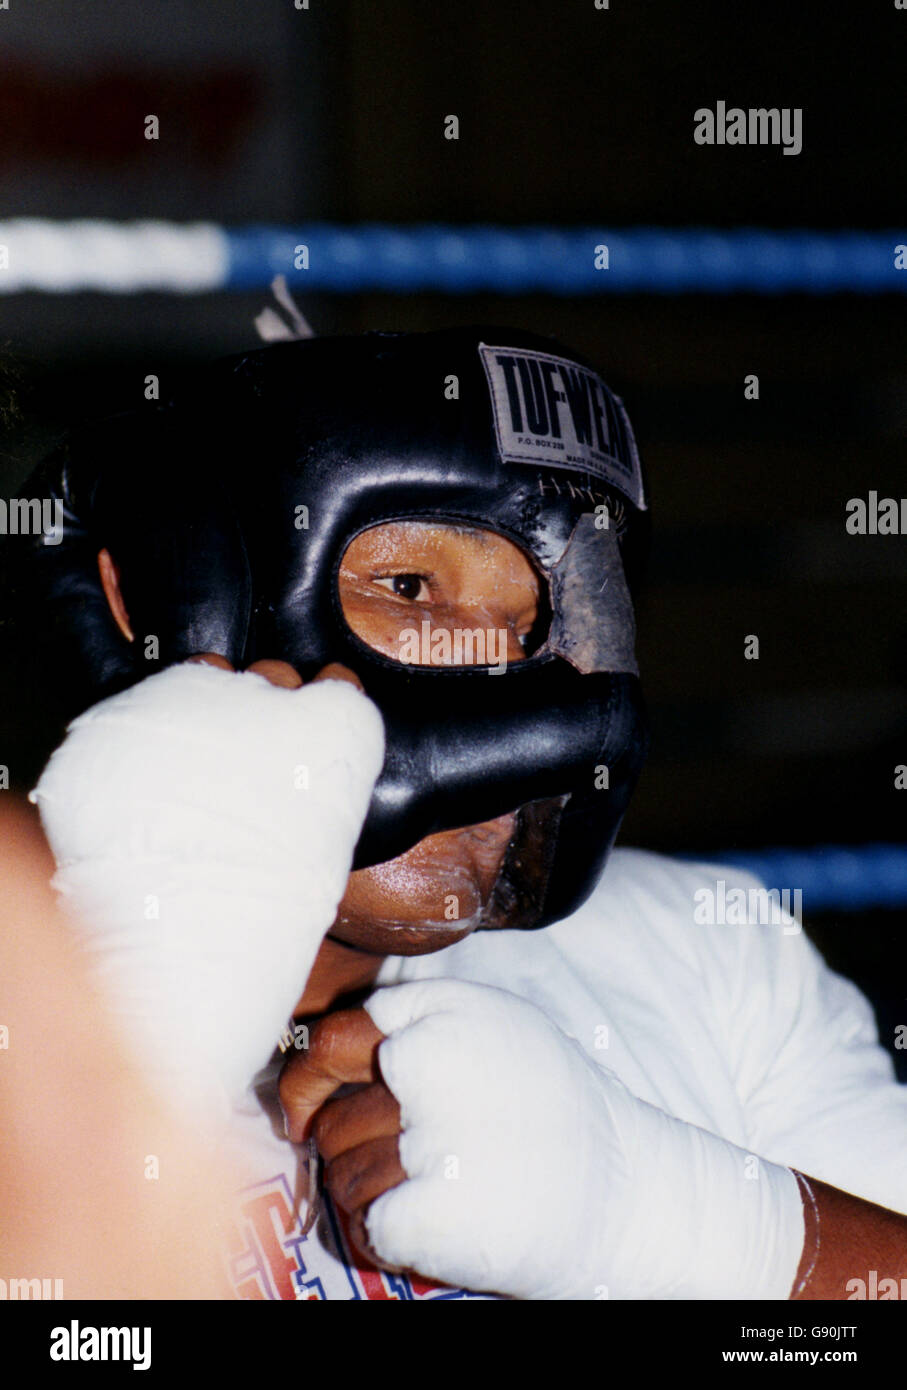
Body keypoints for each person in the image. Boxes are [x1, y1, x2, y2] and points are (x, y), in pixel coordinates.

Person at [6, 326, 907, 1300]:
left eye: (534, 628)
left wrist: (682, 1228)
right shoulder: (22, 998)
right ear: (166, 603)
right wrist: (120, 1061)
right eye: (408, 589)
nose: (501, 684)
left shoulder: (705, 957)